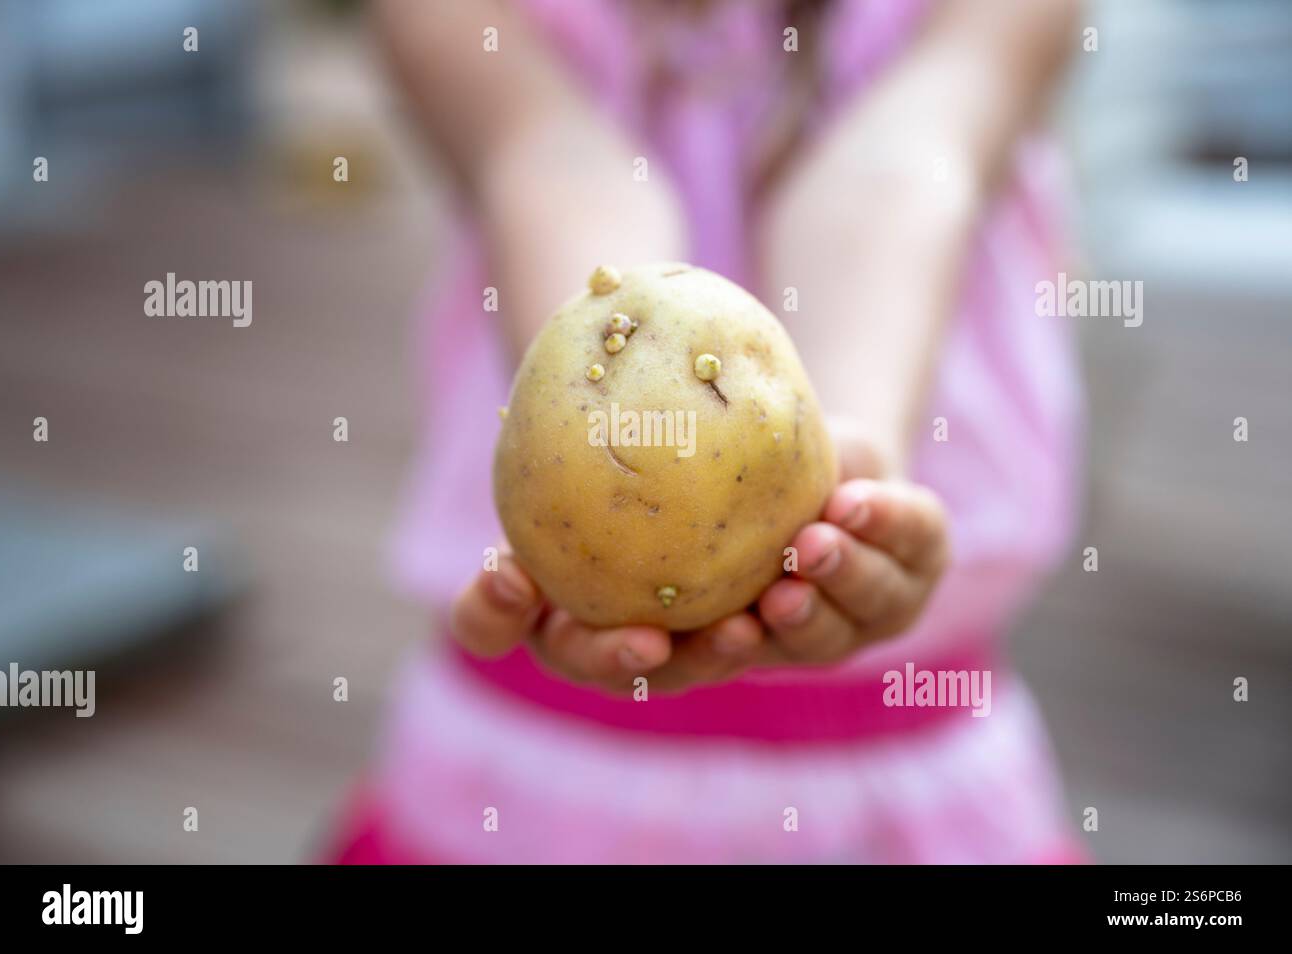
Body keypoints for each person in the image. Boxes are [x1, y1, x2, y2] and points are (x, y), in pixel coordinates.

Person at [330, 0, 1087, 863]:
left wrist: (850, 470)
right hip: (538, 745)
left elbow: (905, 170)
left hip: (904, 729)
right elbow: (546, 166)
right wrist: (606, 474)